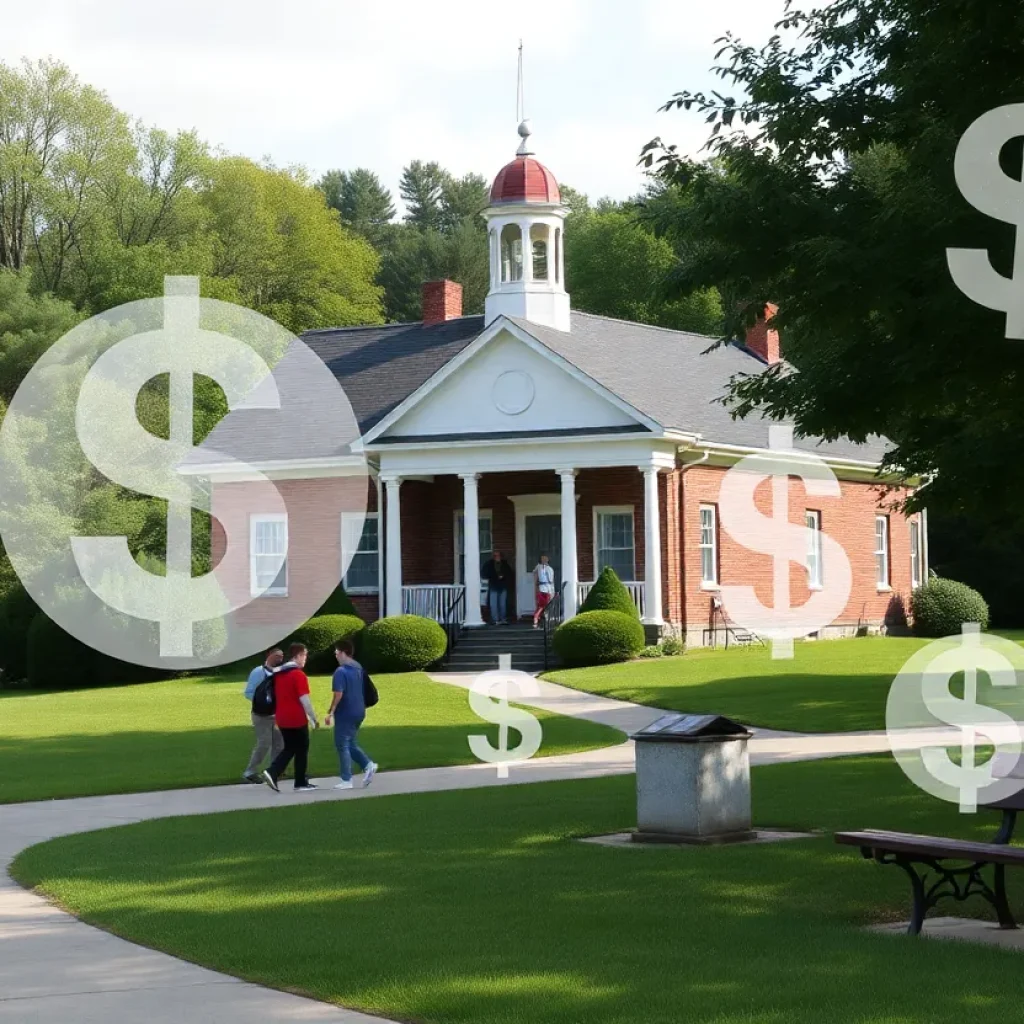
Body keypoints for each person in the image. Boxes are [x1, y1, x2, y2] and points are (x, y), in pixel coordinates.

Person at [262, 642, 319, 793]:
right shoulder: (298, 675)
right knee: (300, 748)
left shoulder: (279, 673)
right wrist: (313, 717)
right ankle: (277, 773)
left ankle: (298, 780)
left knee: (292, 747)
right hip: (296, 718)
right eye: (304, 655)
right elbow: (304, 699)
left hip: (282, 717)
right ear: (298, 656)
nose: (305, 658)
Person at [325, 639, 378, 791]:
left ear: (343, 653)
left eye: (336, 653)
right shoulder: (358, 668)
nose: (335, 656)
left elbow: (338, 694)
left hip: (345, 712)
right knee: (351, 743)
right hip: (359, 711)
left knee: (342, 745)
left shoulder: (340, 672)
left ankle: (346, 779)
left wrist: (331, 712)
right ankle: (368, 765)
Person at [242, 647, 285, 783]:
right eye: (277, 655)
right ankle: (250, 771)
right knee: (264, 743)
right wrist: (262, 702)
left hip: (277, 714)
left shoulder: (281, 672)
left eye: (282, 656)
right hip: (261, 715)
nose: (279, 658)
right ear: (269, 655)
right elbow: (248, 692)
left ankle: (273, 771)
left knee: (279, 743)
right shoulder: (258, 672)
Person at [482, 549, 513, 625]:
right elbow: (484, 573)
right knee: (493, 604)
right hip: (493, 585)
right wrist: (494, 577)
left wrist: (504, 577)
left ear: (501, 556)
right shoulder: (489, 564)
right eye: (495, 556)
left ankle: (503, 619)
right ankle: (495, 620)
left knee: (503, 604)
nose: (497, 557)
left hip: (502, 586)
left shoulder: (504, 564)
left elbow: (509, 573)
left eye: (498, 555)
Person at [532, 553, 555, 628]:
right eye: (542, 558)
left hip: (548, 589)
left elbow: (551, 581)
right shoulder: (538, 567)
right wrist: (536, 586)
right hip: (541, 589)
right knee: (541, 606)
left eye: (545, 558)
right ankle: (536, 619)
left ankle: (545, 620)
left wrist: (552, 591)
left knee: (547, 605)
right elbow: (535, 574)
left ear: (548, 559)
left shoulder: (550, 569)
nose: (544, 560)